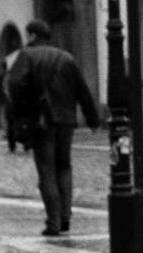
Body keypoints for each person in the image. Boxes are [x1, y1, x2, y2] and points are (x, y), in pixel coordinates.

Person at [6, 18, 101, 236]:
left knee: (46, 169)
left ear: (31, 35)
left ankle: (53, 221)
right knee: (64, 166)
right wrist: (93, 119)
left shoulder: (27, 55)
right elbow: (82, 90)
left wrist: (23, 109)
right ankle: (66, 216)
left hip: (42, 121)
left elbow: (15, 85)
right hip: (66, 120)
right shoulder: (66, 57)